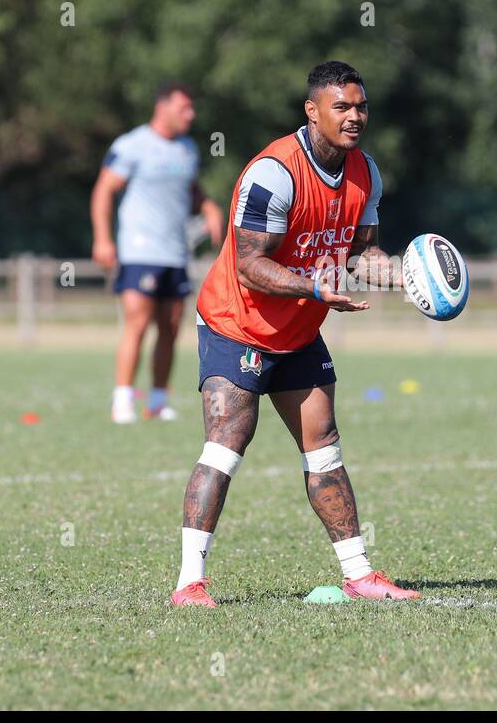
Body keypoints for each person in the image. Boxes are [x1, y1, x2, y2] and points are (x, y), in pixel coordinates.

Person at [169, 60, 417, 607]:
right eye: (342, 107)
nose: (355, 118)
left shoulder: (366, 172)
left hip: (300, 328)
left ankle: (359, 575)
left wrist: (408, 276)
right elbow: (249, 265)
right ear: (312, 111)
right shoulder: (273, 173)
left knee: (324, 445)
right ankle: (190, 583)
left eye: (362, 107)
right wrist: (314, 287)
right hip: (238, 323)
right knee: (228, 441)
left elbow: (360, 255)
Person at [90, 83, 224, 424]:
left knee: (172, 326)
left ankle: (159, 401)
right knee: (137, 322)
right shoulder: (132, 145)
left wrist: (208, 208)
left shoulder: (188, 149)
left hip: (176, 253)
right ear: (162, 107)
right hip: (139, 251)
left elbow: (192, 191)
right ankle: (122, 400)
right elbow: (104, 190)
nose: (190, 115)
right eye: (184, 108)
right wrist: (103, 239)